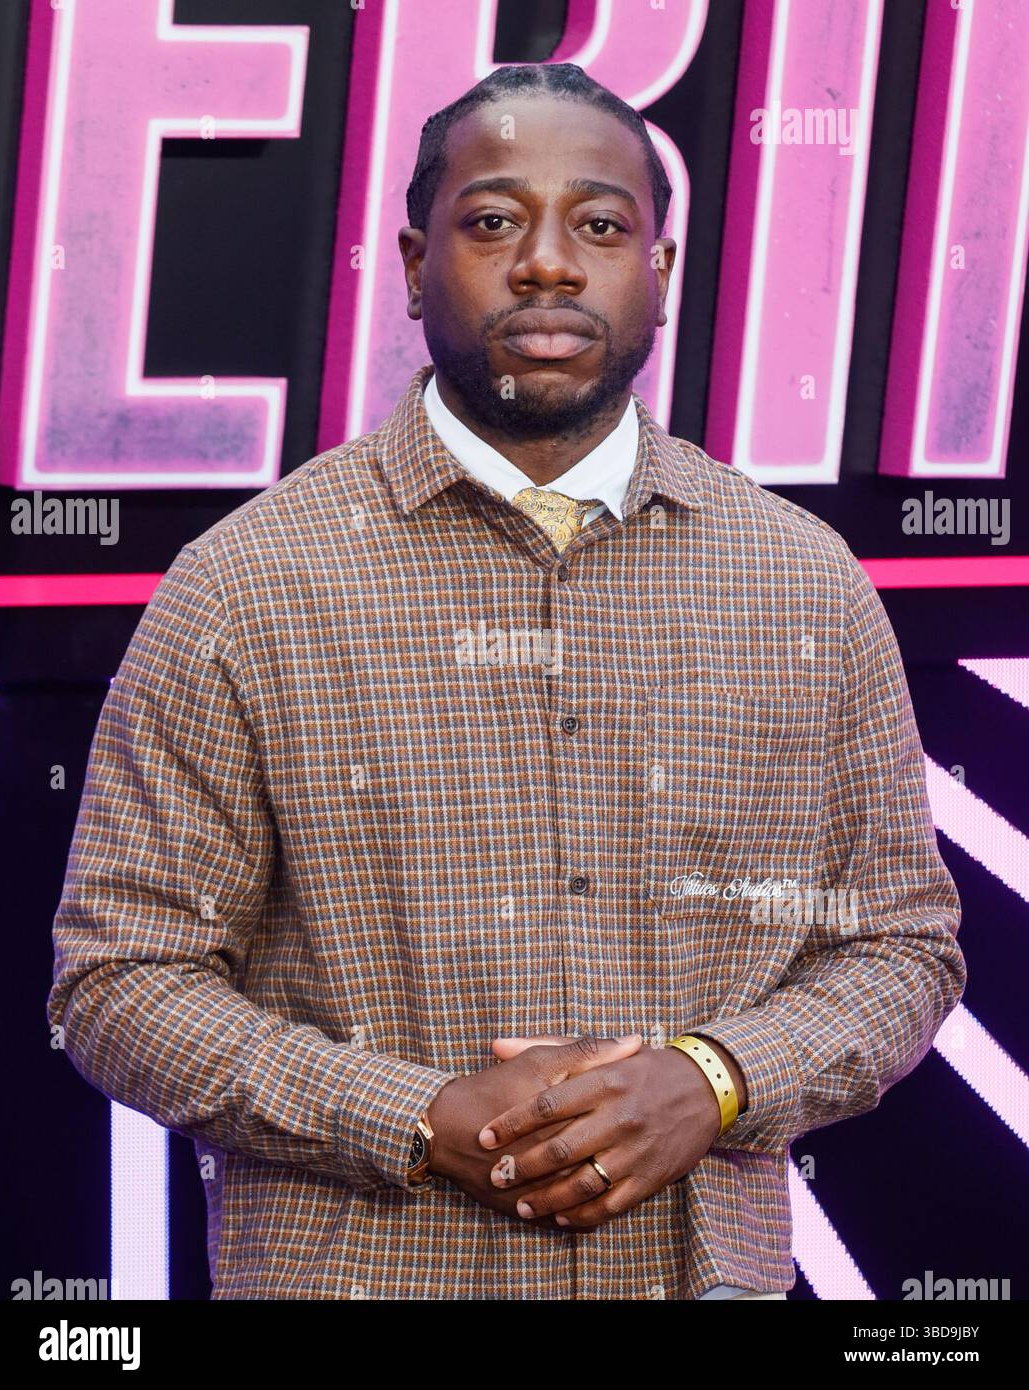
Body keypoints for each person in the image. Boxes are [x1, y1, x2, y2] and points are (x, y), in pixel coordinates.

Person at [48, 62, 966, 1300]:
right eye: (492, 223)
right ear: (415, 262)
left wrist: (715, 1076)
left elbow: (902, 944)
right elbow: (118, 982)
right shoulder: (243, 586)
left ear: (660, 268)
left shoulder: (802, 582)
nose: (545, 263)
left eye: (598, 224)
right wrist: (414, 1115)